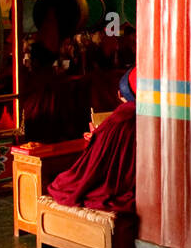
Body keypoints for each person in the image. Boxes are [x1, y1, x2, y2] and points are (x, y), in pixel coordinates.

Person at [46, 69, 138, 212]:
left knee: (65, 183)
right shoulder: (152, 115)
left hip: (117, 185)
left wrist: (97, 135)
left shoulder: (120, 118)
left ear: (120, 94)